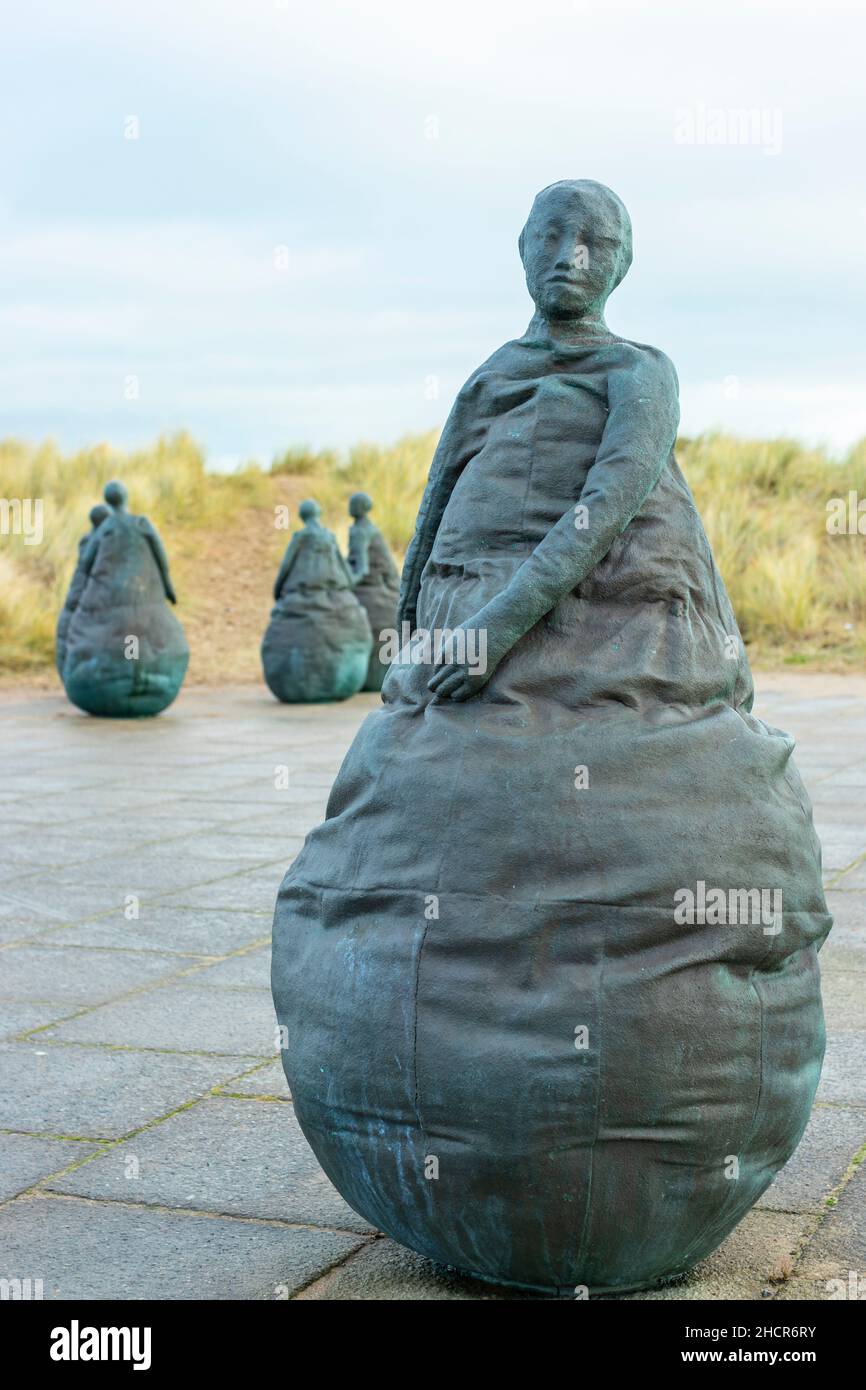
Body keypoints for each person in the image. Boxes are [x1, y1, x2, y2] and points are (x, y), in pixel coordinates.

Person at [272, 181, 831, 1295]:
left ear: (622, 263)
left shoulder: (638, 373)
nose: (569, 258)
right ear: (519, 250)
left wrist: (492, 629)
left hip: (610, 644)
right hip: (467, 648)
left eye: (595, 243)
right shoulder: (491, 374)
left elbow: (607, 504)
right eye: (550, 238)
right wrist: (415, 648)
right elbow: (432, 506)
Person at [62, 480, 188, 717]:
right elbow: (161, 556)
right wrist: (168, 587)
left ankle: (119, 677)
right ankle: (138, 677)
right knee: (138, 640)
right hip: (143, 599)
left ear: (108, 500)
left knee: (123, 640)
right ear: (125, 497)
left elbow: (86, 565)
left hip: (107, 600)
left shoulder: (105, 528)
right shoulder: (142, 523)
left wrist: (77, 600)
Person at [262, 499, 371, 703]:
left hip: (302, 594)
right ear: (318, 514)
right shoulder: (329, 537)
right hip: (337, 596)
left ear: (302, 517)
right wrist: (350, 583)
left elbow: (286, 567)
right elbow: (343, 568)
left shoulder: (300, 537)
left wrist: (278, 592)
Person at [345, 491, 400, 691]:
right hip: (388, 587)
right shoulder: (366, 527)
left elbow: (361, 568)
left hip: (376, 587)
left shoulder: (360, 531)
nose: (350, 507)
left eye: (353, 503)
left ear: (361, 508)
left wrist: (341, 586)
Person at [55, 503, 109, 676]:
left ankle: (69, 673)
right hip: (90, 595)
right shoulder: (101, 543)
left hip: (77, 592)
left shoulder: (86, 540)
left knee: (70, 634)